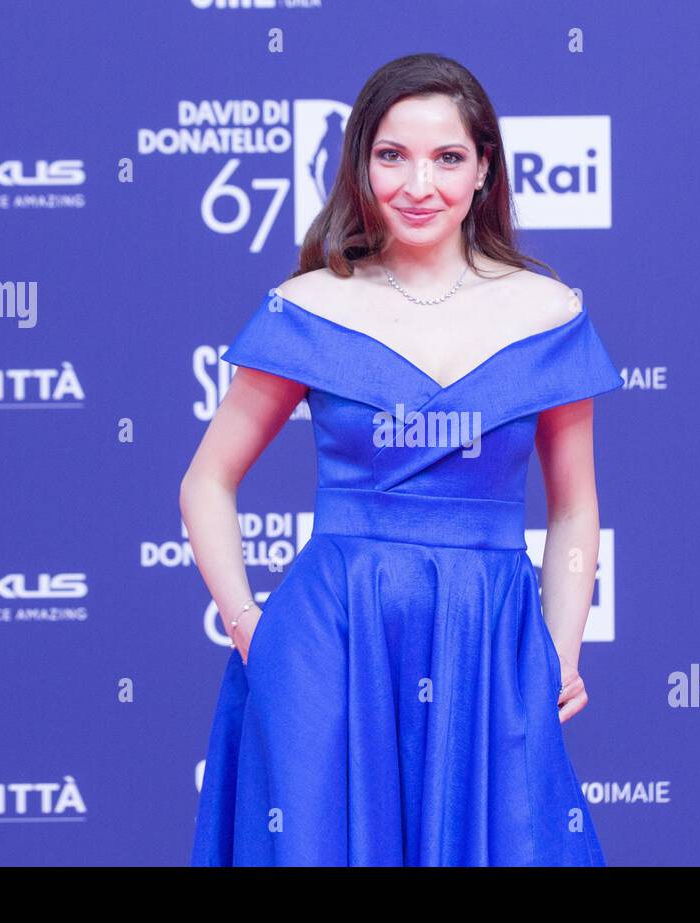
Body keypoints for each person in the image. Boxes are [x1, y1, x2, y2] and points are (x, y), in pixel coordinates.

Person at [181, 53, 620, 866]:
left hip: (488, 636)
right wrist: (249, 627)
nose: (420, 184)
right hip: (331, 637)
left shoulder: (547, 313)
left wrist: (558, 653)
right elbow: (207, 479)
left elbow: (573, 506)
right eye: (393, 156)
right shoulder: (310, 308)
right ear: (360, 164)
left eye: (448, 157)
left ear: (484, 168)